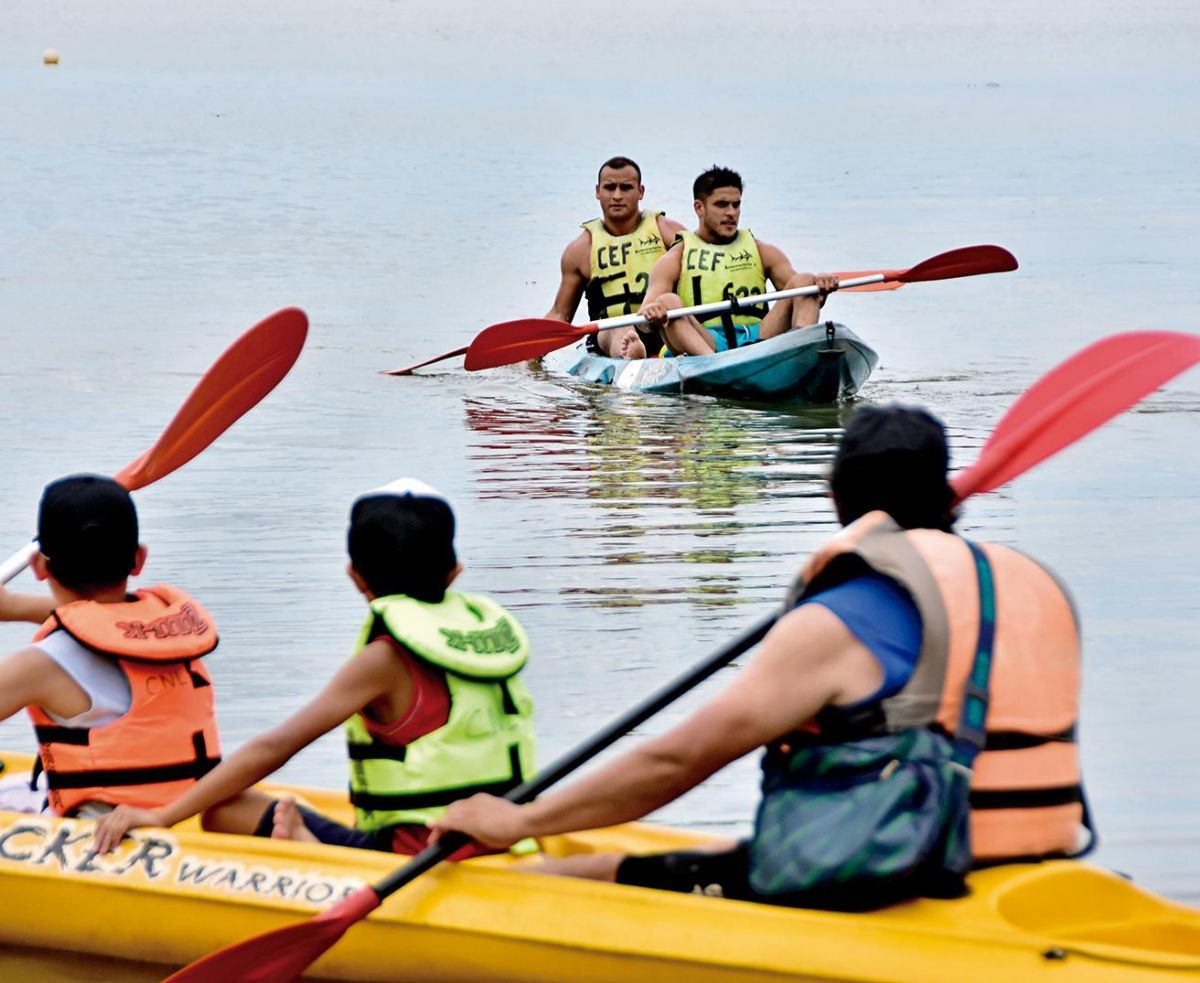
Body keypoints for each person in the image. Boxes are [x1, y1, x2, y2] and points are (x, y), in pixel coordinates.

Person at [430, 405, 1091, 910]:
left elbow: (679, 759)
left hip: (888, 876)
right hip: (1031, 868)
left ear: (838, 498)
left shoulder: (840, 618)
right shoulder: (1023, 585)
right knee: (653, 862)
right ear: (946, 497)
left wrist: (520, 818)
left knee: (547, 879)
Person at [93, 479, 537, 859]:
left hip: (419, 853)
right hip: (504, 836)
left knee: (227, 809)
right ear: (455, 571)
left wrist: (164, 814)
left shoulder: (386, 660)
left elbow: (277, 745)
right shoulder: (482, 638)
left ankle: (312, 845)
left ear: (354, 576)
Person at [0, 474, 224, 818]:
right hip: (187, 815)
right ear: (138, 559)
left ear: (39, 566)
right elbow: (96, 622)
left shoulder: (37, 668)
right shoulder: (167, 631)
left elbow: (84, 627)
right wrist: (13, 606)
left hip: (102, 836)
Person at [639, 165, 839, 357]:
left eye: (736, 204)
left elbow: (808, 299)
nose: (731, 213)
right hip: (706, 341)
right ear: (699, 208)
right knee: (667, 301)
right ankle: (715, 367)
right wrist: (654, 312)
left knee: (805, 280)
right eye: (721, 204)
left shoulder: (763, 251)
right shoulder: (675, 258)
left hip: (760, 336)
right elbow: (643, 322)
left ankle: (801, 354)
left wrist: (820, 286)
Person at [546, 156, 684, 360]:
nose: (617, 195)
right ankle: (631, 353)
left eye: (626, 187)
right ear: (597, 192)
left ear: (640, 192)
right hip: (610, 334)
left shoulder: (667, 232)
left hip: (662, 324)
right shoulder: (581, 249)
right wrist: (529, 355)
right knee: (621, 327)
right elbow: (561, 314)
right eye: (610, 187)